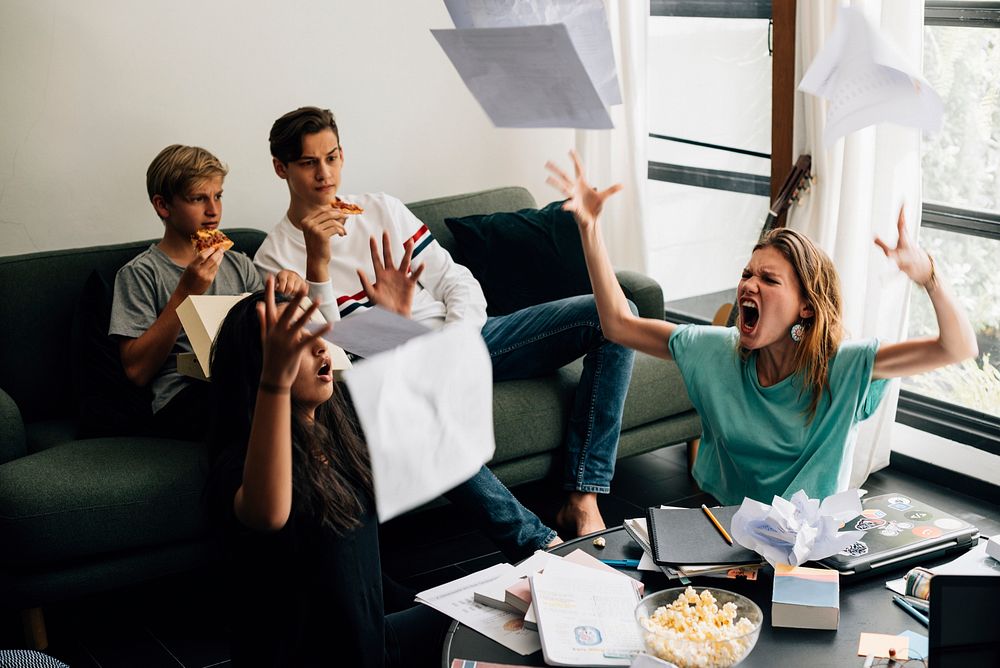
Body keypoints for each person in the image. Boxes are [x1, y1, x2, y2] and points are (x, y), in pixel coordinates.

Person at [253, 106, 636, 540]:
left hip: (462, 338)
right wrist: (317, 265)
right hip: (388, 370)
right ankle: (540, 544)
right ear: (281, 168)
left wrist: (454, 345)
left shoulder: (380, 210)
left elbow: (456, 280)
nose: (326, 174)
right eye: (309, 163)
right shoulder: (273, 259)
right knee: (405, 413)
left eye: (333, 157)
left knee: (615, 316)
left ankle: (583, 496)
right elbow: (326, 359)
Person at [545, 150, 978, 505]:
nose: (749, 284)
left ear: (806, 308)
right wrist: (590, 229)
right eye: (747, 274)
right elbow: (619, 325)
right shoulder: (716, 351)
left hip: (809, 543)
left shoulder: (844, 366)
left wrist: (928, 276)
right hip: (722, 525)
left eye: (769, 280)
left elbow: (956, 348)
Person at [205, 279, 450, 667]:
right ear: (260, 365)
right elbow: (269, 514)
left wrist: (395, 330)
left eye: (317, 333)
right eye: (297, 343)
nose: (320, 346)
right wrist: (275, 383)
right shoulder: (239, 463)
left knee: (474, 622)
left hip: (371, 645)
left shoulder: (337, 428)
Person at [110, 144, 304, 439]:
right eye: (198, 198)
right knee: (259, 406)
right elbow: (137, 371)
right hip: (183, 396)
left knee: (315, 389)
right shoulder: (140, 273)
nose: (213, 210)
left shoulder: (238, 264)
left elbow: (265, 336)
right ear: (163, 206)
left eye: (218, 196)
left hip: (245, 378)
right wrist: (185, 293)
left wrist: (284, 296)